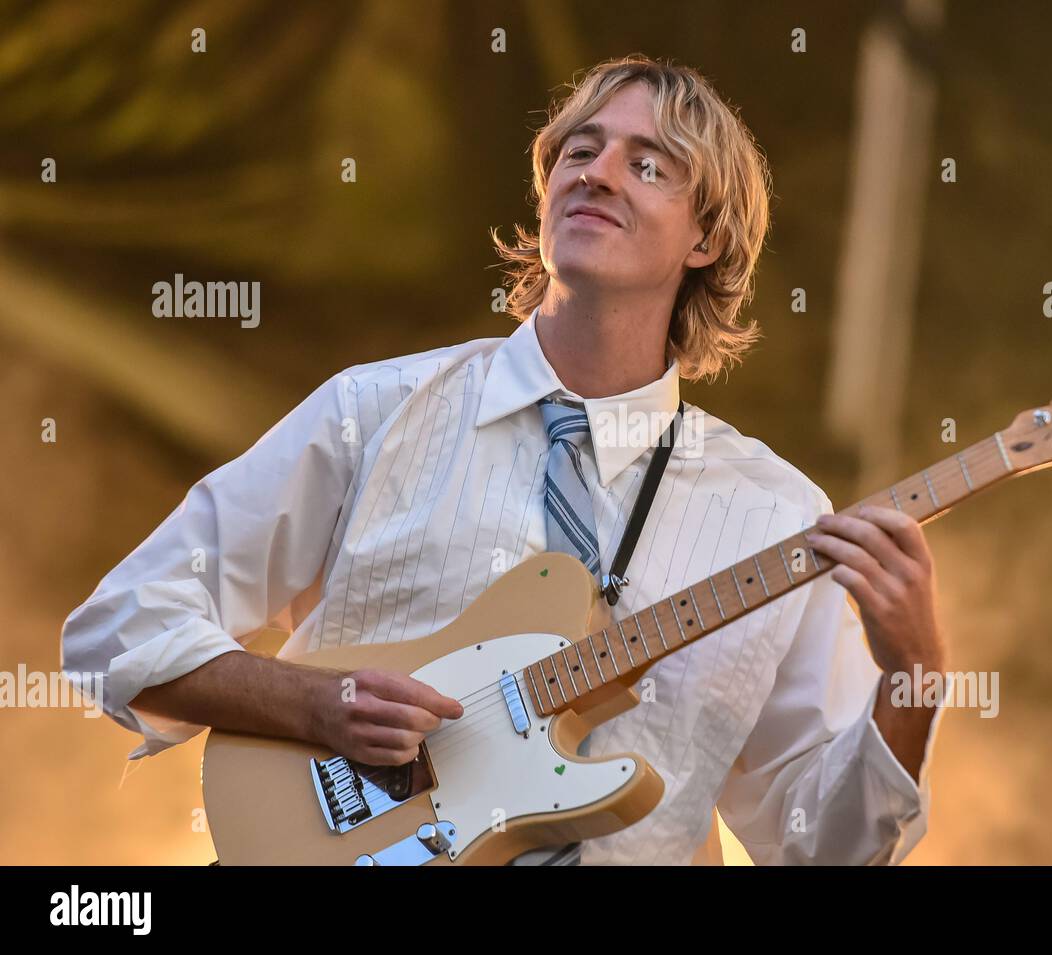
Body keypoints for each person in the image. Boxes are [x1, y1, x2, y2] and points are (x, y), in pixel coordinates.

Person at [61, 54, 948, 866]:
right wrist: (315, 705)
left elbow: (826, 850)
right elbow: (118, 629)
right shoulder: (375, 411)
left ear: (706, 239)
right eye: (581, 150)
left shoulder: (778, 511)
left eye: (647, 165)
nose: (597, 171)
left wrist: (914, 675)